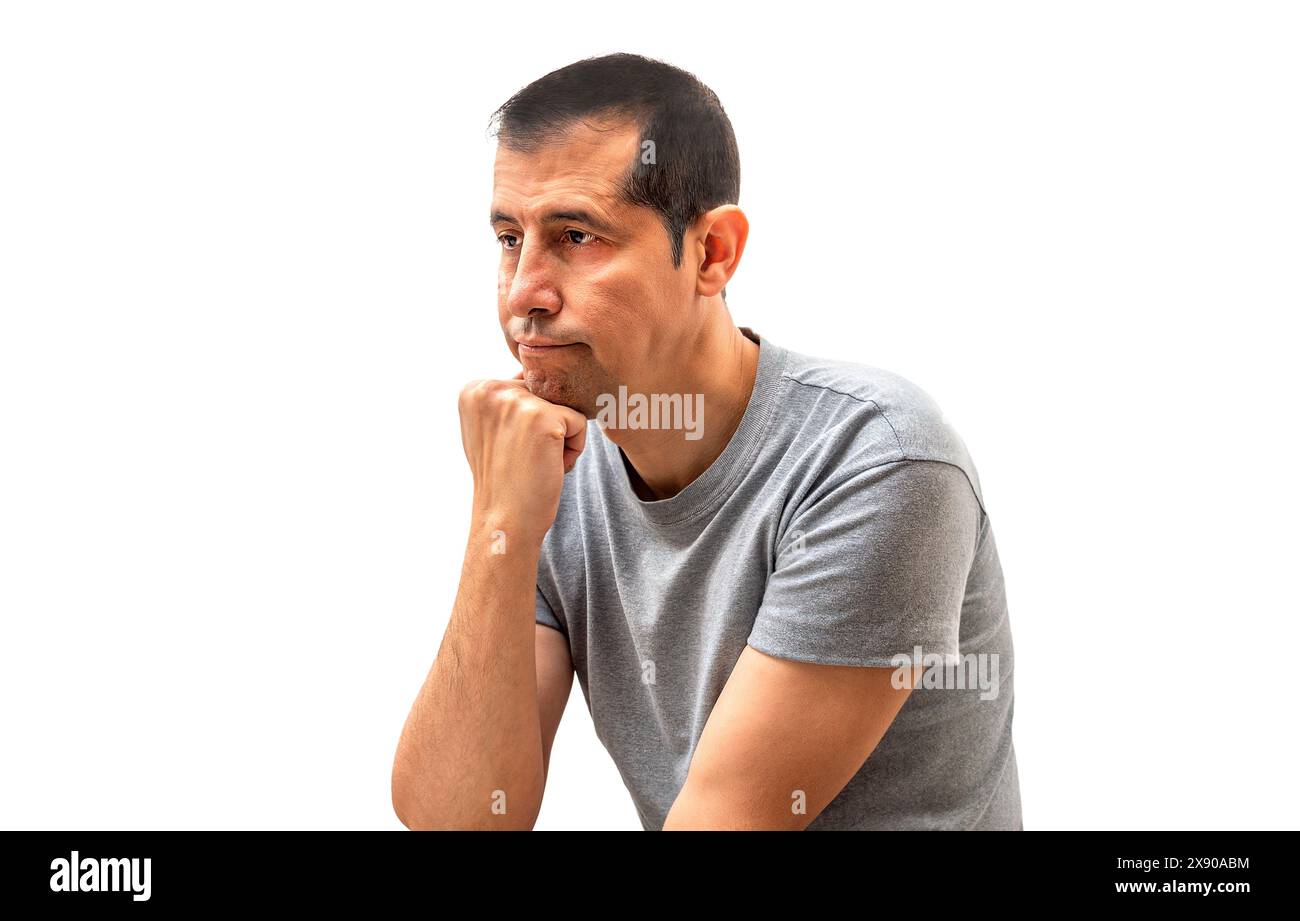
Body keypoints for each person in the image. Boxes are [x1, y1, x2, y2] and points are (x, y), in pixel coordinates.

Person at [391, 52, 1021, 831]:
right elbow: (460, 822)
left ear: (713, 253)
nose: (523, 293)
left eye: (578, 235)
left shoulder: (878, 461)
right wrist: (500, 526)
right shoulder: (549, 476)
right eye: (508, 237)